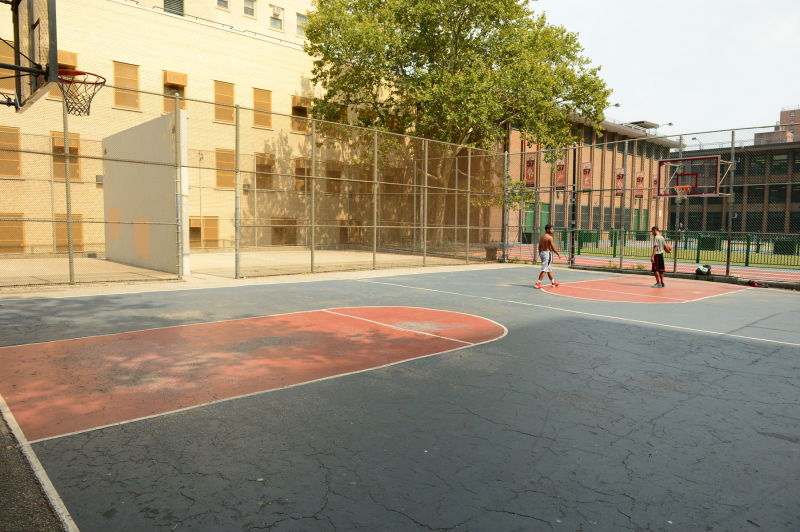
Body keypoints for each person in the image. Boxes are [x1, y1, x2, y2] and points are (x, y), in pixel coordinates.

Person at [535, 224, 561, 289]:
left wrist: (540, 254)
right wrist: (558, 254)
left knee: (549, 269)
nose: (553, 230)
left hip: (542, 253)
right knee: (544, 269)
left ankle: (553, 282)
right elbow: (552, 247)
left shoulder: (542, 237)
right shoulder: (549, 238)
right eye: (552, 229)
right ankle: (538, 283)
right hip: (547, 254)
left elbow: (539, 246)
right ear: (548, 230)